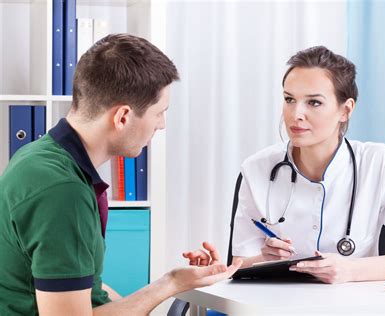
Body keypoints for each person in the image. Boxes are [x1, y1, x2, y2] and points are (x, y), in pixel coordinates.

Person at [0, 34, 241, 315]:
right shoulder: (62, 190)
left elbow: (90, 291)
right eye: (159, 113)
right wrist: (169, 284)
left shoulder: (40, 156)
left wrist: (173, 283)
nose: (161, 125)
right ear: (122, 117)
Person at [230, 46, 385, 284]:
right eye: (289, 99)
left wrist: (350, 270)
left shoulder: (380, 163)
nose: (295, 114)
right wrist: (263, 257)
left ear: (346, 109)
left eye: (314, 102)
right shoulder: (257, 169)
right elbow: (239, 265)